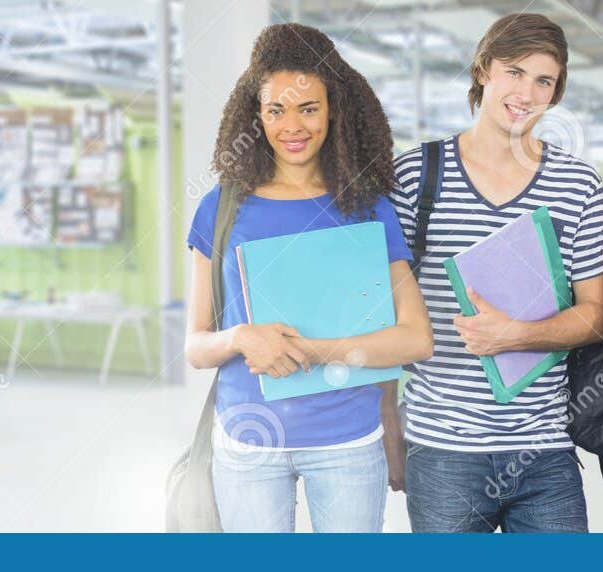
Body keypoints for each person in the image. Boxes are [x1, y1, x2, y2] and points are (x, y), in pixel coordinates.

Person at [183, 23, 432, 533]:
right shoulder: (221, 207)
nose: (292, 125)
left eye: (308, 108)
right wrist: (239, 337)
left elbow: (417, 338)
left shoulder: (367, 207)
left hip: (347, 442)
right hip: (248, 443)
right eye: (276, 110)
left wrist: (311, 351)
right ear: (257, 115)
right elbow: (195, 346)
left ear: (333, 109)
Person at [389, 13, 603, 532]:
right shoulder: (415, 176)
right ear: (484, 70)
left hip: (544, 449)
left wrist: (518, 335)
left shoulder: (578, 186)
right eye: (514, 71)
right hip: (441, 448)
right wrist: (386, 432)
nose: (526, 92)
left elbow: (596, 317)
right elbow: (387, 314)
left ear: (555, 95)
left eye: (544, 81)